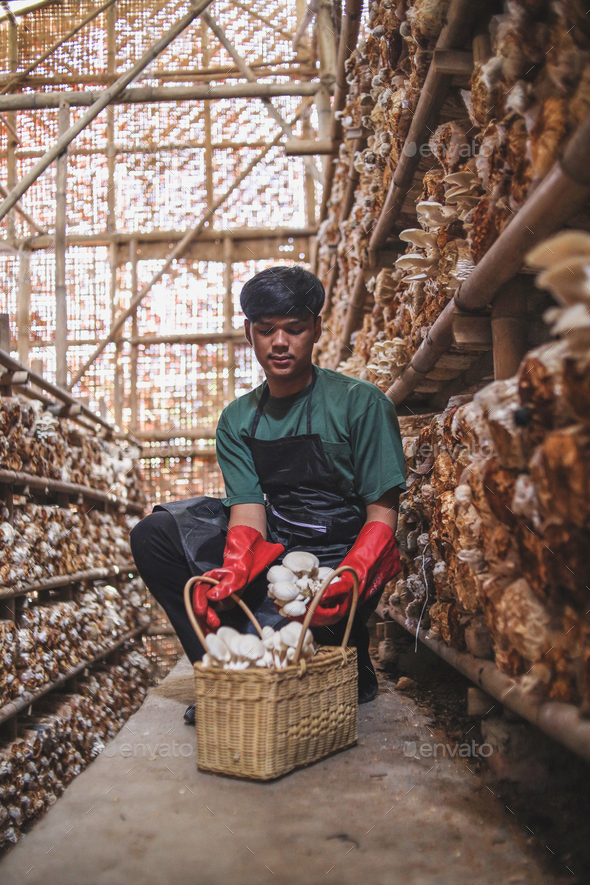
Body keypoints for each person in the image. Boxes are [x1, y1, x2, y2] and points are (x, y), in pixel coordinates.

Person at [130, 266, 406, 724]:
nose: (280, 342)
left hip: (336, 559)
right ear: (249, 333)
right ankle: (225, 677)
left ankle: (341, 658)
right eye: (266, 330)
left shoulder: (361, 404)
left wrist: (351, 575)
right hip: (276, 548)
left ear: (317, 328)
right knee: (154, 534)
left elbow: (382, 513)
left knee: (305, 649)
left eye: (295, 329)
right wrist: (237, 568)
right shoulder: (238, 419)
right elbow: (248, 510)